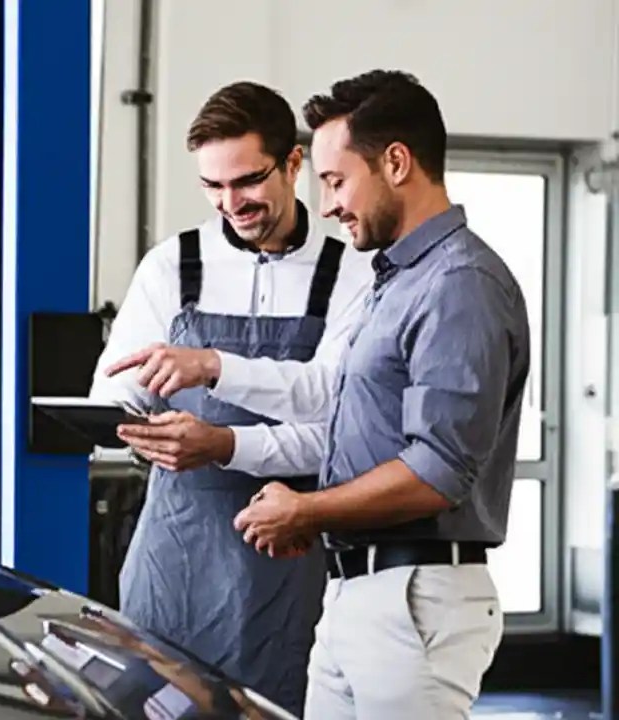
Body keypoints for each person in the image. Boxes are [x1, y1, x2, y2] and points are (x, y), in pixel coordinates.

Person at [118, 69, 529, 719]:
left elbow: (438, 469)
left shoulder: (454, 286)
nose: (331, 204)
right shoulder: (402, 281)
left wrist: (302, 506)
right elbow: (332, 403)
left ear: (395, 162)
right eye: (214, 187)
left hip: (406, 588)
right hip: (350, 580)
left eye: (337, 182)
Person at [88, 80, 374, 716]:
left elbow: (335, 423)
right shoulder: (173, 265)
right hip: (175, 547)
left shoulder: (349, 274)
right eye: (213, 187)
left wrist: (216, 437)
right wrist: (143, 427)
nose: (230, 203)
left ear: (294, 164)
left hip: (290, 551)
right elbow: (112, 394)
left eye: (246, 181)